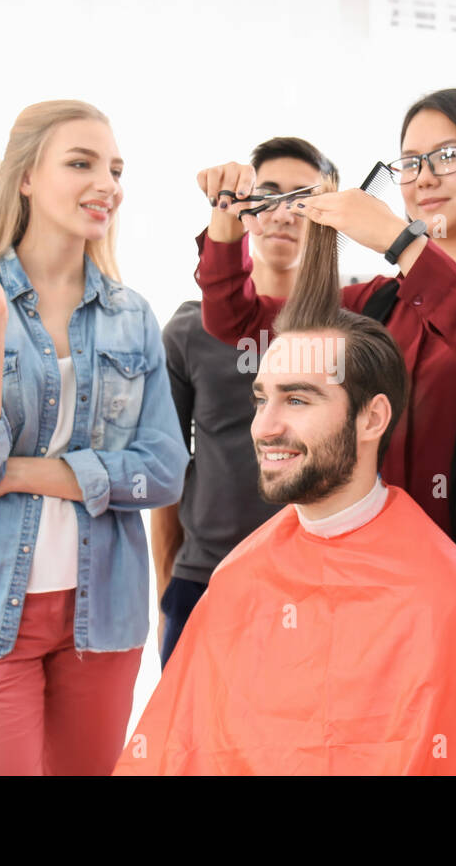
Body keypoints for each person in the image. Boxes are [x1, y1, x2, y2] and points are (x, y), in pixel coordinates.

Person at [195, 89, 456, 770]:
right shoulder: (374, 302)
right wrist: (226, 228)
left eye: (447, 154)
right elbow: (244, 325)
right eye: (409, 161)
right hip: (390, 606)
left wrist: (404, 245)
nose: (425, 174)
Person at [115, 226, 456, 775]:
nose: (265, 427)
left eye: (298, 398)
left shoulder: (455, 608)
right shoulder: (233, 586)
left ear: (371, 418)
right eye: (263, 398)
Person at [0, 99, 188, 776]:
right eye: (81, 163)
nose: (107, 184)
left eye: (115, 168)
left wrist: (22, 472)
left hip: (101, 622)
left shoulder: (132, 316)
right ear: (26, 176)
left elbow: (162, 473)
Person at [153, 137, 338, 667]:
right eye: (268, 195)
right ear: (246, 211)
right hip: (204, 581)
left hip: (320, 583)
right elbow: (167, 471)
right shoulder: (189, 329)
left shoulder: (354, 330)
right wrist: (165, 588)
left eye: (302, 200)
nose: (283, 213)